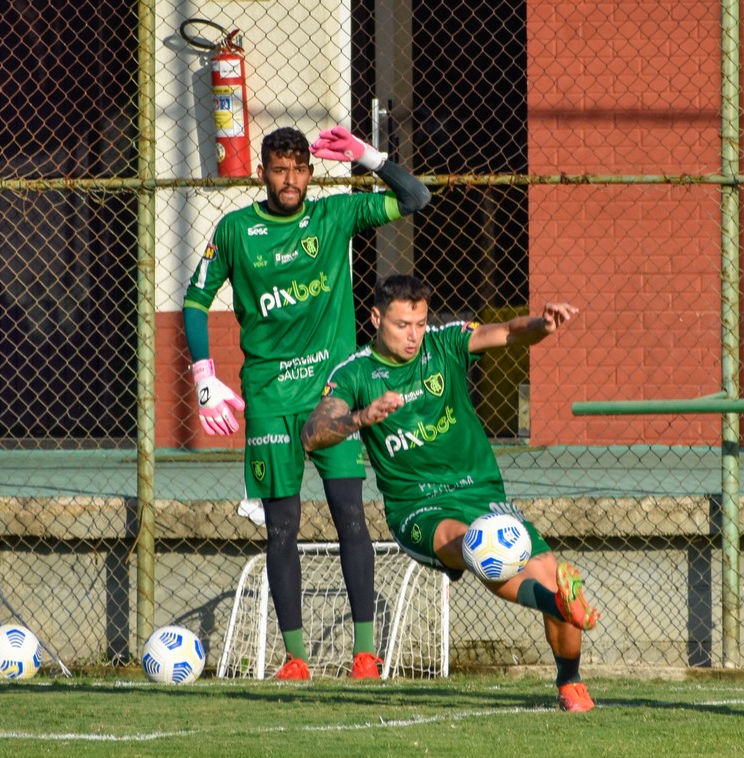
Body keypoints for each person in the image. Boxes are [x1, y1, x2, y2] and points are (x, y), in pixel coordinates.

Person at [183, 126, 431, 680]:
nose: (289, 179)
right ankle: (295, 659)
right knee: (281, 527)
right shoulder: (235, 231)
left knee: (351, 517)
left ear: (311, 174)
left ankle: (365, 655)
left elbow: (417, 198)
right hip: (269, 398)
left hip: (331, 398)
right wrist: (203, 373)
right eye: (279, 169)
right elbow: (195, 300)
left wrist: (370, 158)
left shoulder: (333, 216)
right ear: (262, 174)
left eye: (298, 169)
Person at [300, 274, 601, 711]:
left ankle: (570, 683)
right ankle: (554, 602)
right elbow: (312, 434)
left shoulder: (444, 344)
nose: (414, 335)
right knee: (474, 541)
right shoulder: (355, 373)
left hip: (481, 490)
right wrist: (361, 418)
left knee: (555, 576)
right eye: (402, 325)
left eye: (420, 323)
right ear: (376, 318)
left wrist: (543, 324)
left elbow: (508, 332)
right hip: (418, 507)